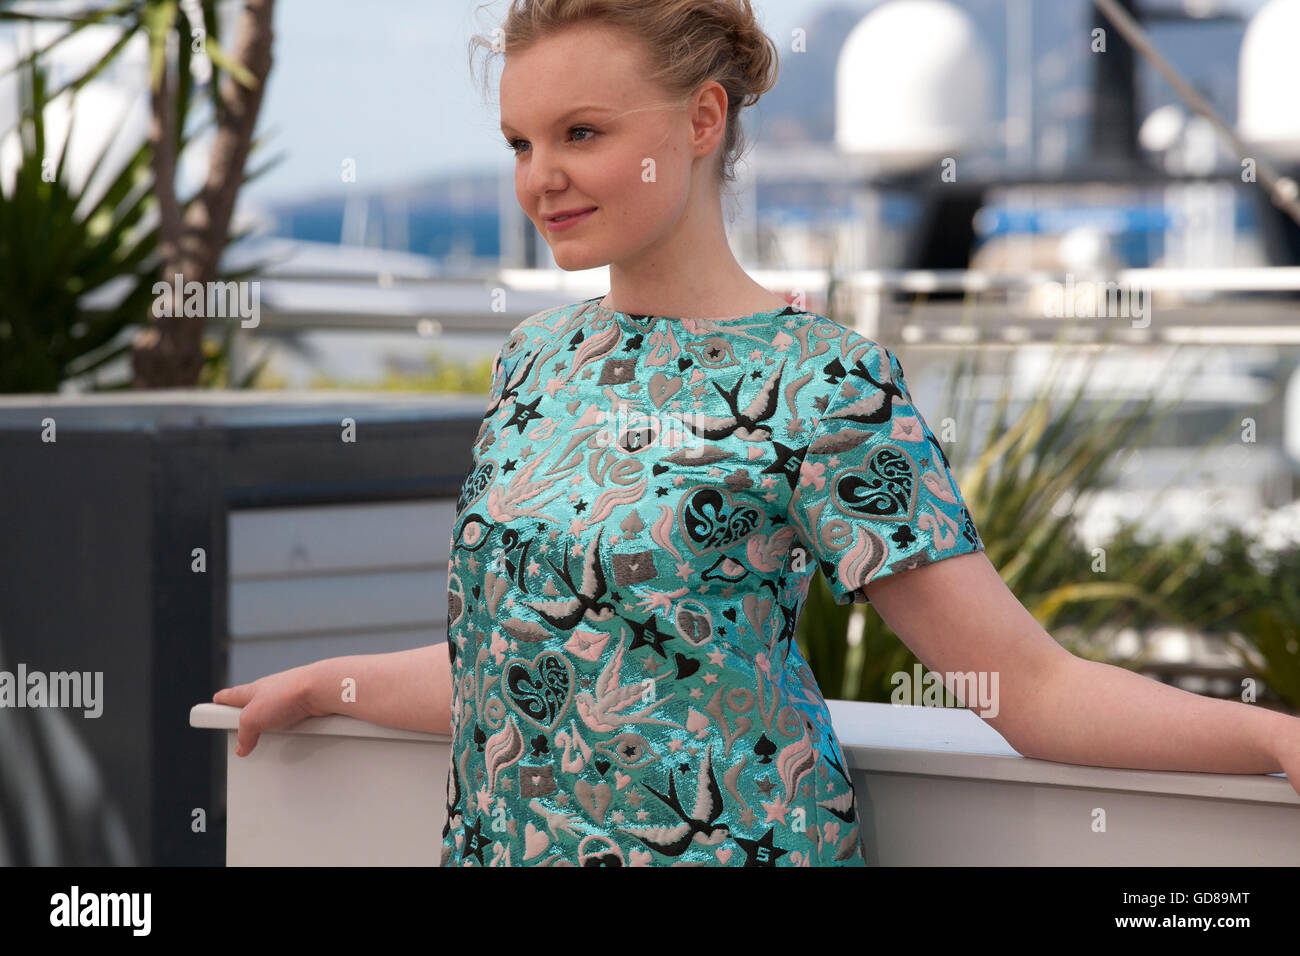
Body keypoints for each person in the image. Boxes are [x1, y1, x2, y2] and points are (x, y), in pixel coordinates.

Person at [213, 0, 1300, 867]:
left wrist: (1266, 733)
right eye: (519, 140)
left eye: (580, 132)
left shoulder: (822, 382)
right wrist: (329, 683)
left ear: (701, 119)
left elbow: (1022, 685)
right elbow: (530, 657)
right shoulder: (537, 361)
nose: (537, 176)